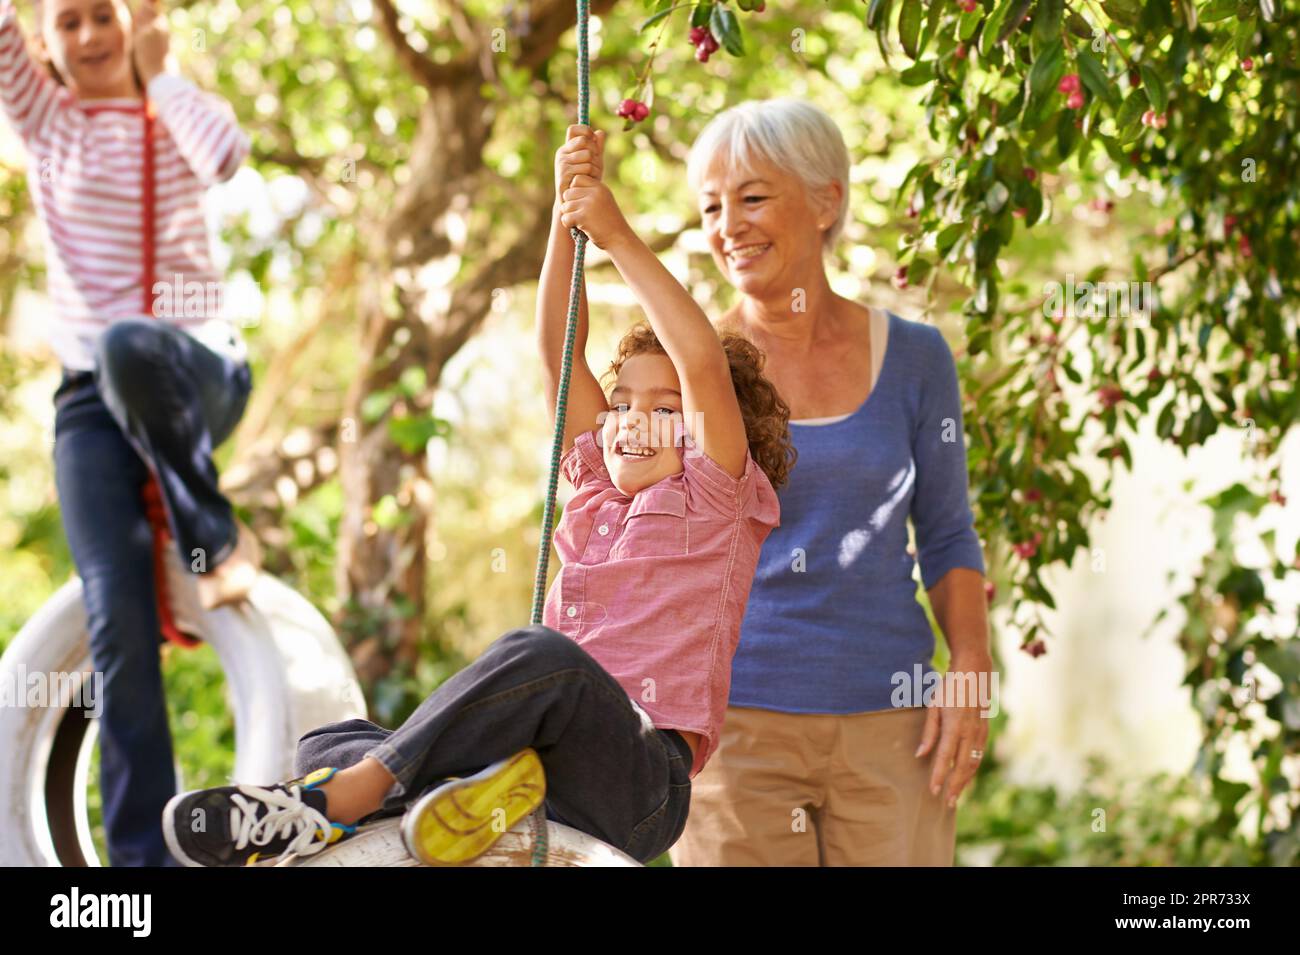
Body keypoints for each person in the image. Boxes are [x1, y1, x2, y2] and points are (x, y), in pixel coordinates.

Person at [158, 123, 793, 867]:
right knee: (330, 739)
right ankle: (422, 799)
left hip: (638, 784)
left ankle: (345, 799)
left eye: (664, 409)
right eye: (622, 402)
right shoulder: (593, 490)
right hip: (543, 772)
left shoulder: (714, 502)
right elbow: (559, 343)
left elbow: (700, 363)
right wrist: (567, 217)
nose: (631, 422)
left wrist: (615, 232)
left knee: (540, 658)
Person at [669, 98, 993, 867]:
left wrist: (971, 666)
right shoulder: (691, 364)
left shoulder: (916, 357)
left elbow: (947, 531)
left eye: (752, 197)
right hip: (729, 728)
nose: (728, 226)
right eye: (711, 207)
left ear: (827, 199)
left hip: (894, 722)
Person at [0, 0, 256, 865]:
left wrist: (161, 68)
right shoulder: (46, 120)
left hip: (191, 370)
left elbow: (224, 157)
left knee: (129, 341)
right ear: (46, 40)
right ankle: (144, 865)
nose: (88, 36)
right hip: (91, 410)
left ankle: (211, 536)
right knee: (115, 614)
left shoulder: (180, 109)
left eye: (102, 15)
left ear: (135, 17)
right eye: (66, 23)